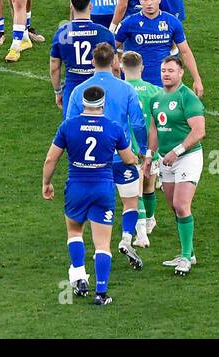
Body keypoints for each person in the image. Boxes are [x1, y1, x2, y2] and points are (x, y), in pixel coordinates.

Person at [43, 85, 141, 306]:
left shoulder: (68, 126)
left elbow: (50, 159)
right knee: (102, 243)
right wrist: (136, 158)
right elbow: (127, 159)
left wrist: (46, 183)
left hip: (77, 187)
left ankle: (79, 276)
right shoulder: (113, 128)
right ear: (103, 104)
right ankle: (101, 293)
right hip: (103, 188)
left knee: (75, 231)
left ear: (83, 104)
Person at [63, 43, 148, 269]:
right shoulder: (126, 89)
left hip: (93, 163)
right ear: (115, 62)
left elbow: (69, 125)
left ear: (92, 62)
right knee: (130, 202)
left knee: (96, 206)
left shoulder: (80, 90)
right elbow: (138, 122)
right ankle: (126, 238)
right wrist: (143, 148)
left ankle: (101, 249)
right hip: (122, 157)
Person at [151, 55, 205, 276]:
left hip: (187, 157)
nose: (166, 74)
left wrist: (177, 151)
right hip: (166, 159)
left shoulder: (188, 98)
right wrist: (149, 156)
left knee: (182, 205)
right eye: (164, 70)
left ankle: (185, 257)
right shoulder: (155, 98)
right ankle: (188, 252)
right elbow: (154, 129)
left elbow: (199, 131)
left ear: (181, 73)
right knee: (174, 206)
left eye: (171, 70)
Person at [116, 0, 203, 95]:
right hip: (135, 87)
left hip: (162, 85)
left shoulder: (172, 22)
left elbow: (185, 52)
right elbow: (111, 48)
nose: (149, 3)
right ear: (140, 1)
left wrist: (197, 79)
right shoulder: (128, 23)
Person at [120, 50, 162, 248]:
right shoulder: (155, 90)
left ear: (121, 67)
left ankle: (142, 234)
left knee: (135, 193)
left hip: (130, 149)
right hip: (153, 149)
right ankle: (151, 219)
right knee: (149, 187)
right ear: (142, 67)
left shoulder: (120, 91)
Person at [49, 0, 115, 111]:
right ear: (90, 6)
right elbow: (115, 67)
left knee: (72, 127)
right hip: (100, 88)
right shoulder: (104, 33)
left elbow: (54, 67)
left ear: (72, 7)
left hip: (72, 88)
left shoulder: (64, 33)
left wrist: (58, 91)